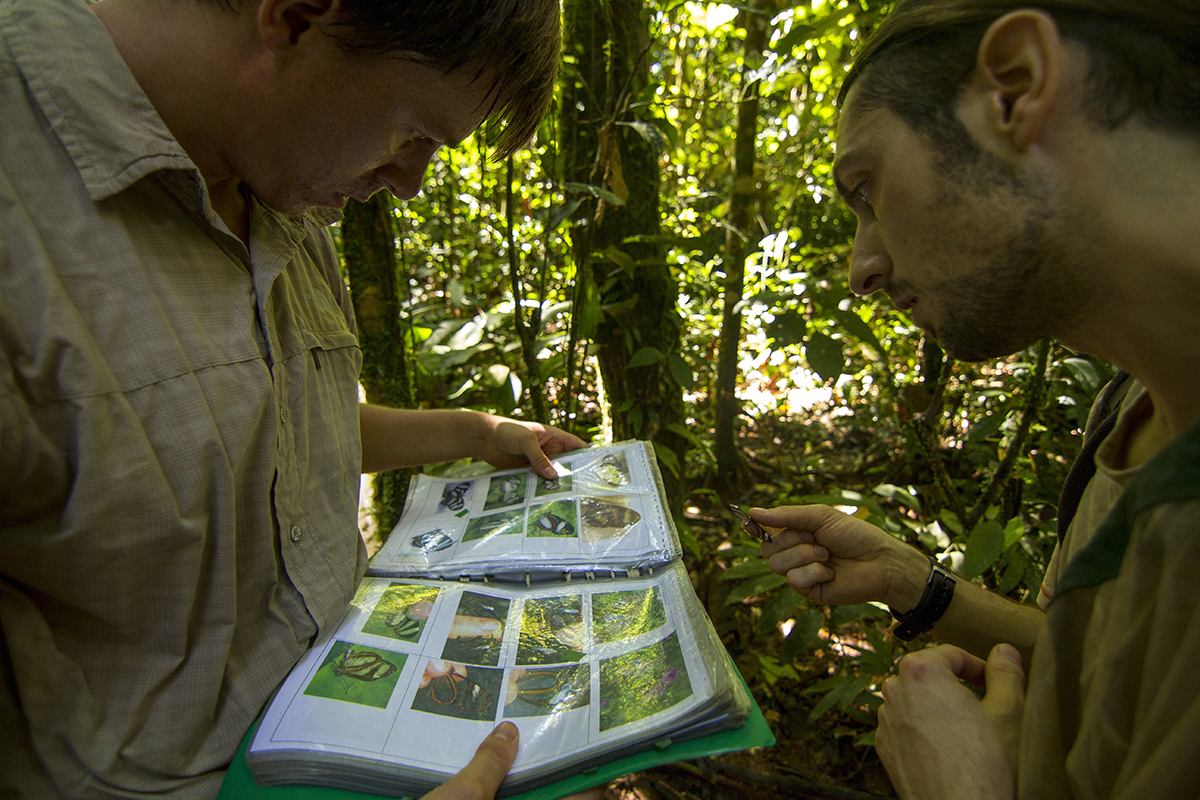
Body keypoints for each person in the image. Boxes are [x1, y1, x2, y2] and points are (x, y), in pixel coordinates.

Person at [0, 0, 586, 797]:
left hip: (354, 713)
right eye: (412, 132)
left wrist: (473, 431)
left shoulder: (276, 173)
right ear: (297, 17)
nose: (409, 184)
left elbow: (260, 419)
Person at [749, 1, 1200, 797]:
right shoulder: (1136, 412)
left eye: (866, 186)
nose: (862, 268)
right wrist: (913, 585)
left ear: (1017, 90)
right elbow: (1113, 665)